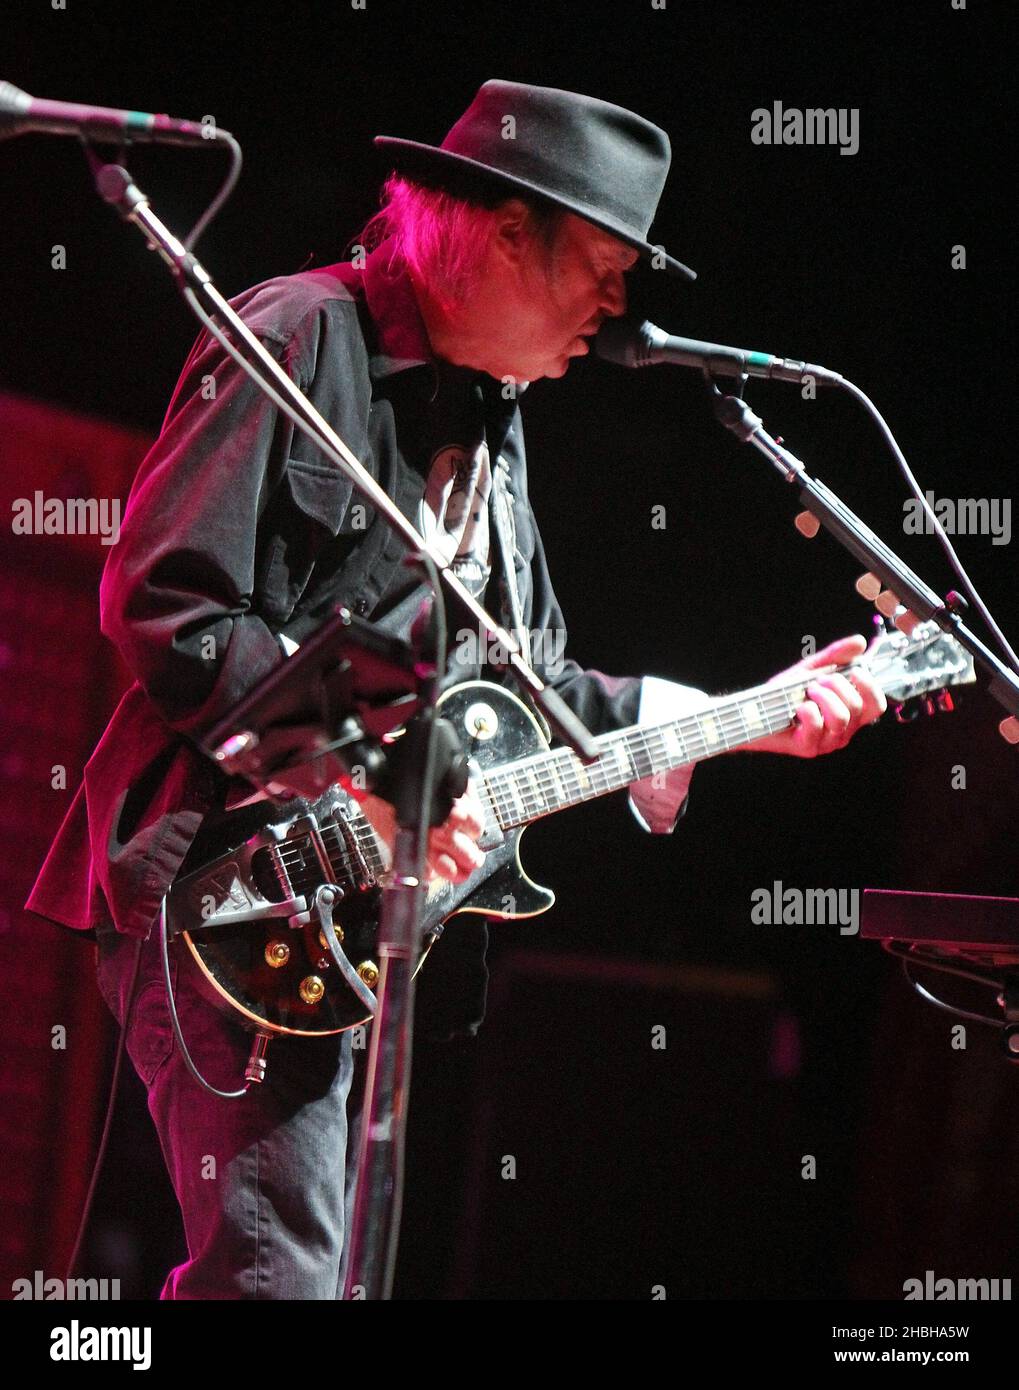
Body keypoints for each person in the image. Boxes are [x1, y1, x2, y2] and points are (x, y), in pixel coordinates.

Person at [25, 80, 885, 1300]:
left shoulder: (492, 419)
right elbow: (169, 602)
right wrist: (364, 770)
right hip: (223, 877)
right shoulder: (301, 331)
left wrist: (746, 719)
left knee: (323, 1278)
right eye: (599, 264)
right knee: (279, 1280)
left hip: (351, 921)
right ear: (500, 231)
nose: (614, 304)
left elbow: (522, 687)